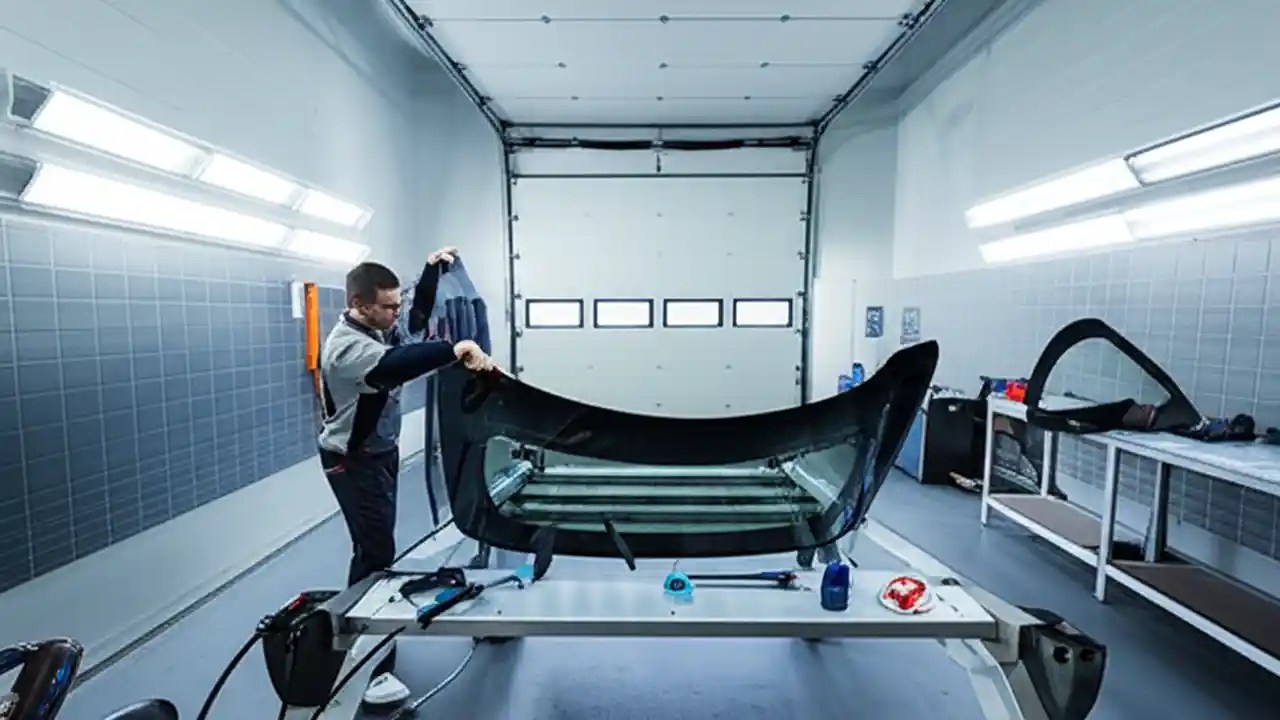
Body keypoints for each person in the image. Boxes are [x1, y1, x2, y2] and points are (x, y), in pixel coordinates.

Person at [317, 247, 493, 706]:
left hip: (379, 451)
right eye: (387, 306)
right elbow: (397, 365)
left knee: (374, 549)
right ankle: (366, 664)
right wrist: (454, 349)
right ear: (359, 304)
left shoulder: (373, 323)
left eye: (394, 304)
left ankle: (362, 638)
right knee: (375, 551)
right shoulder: (347, 348)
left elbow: (414, 316)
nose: (396, 313)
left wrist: (433, 270)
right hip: (352, 461)